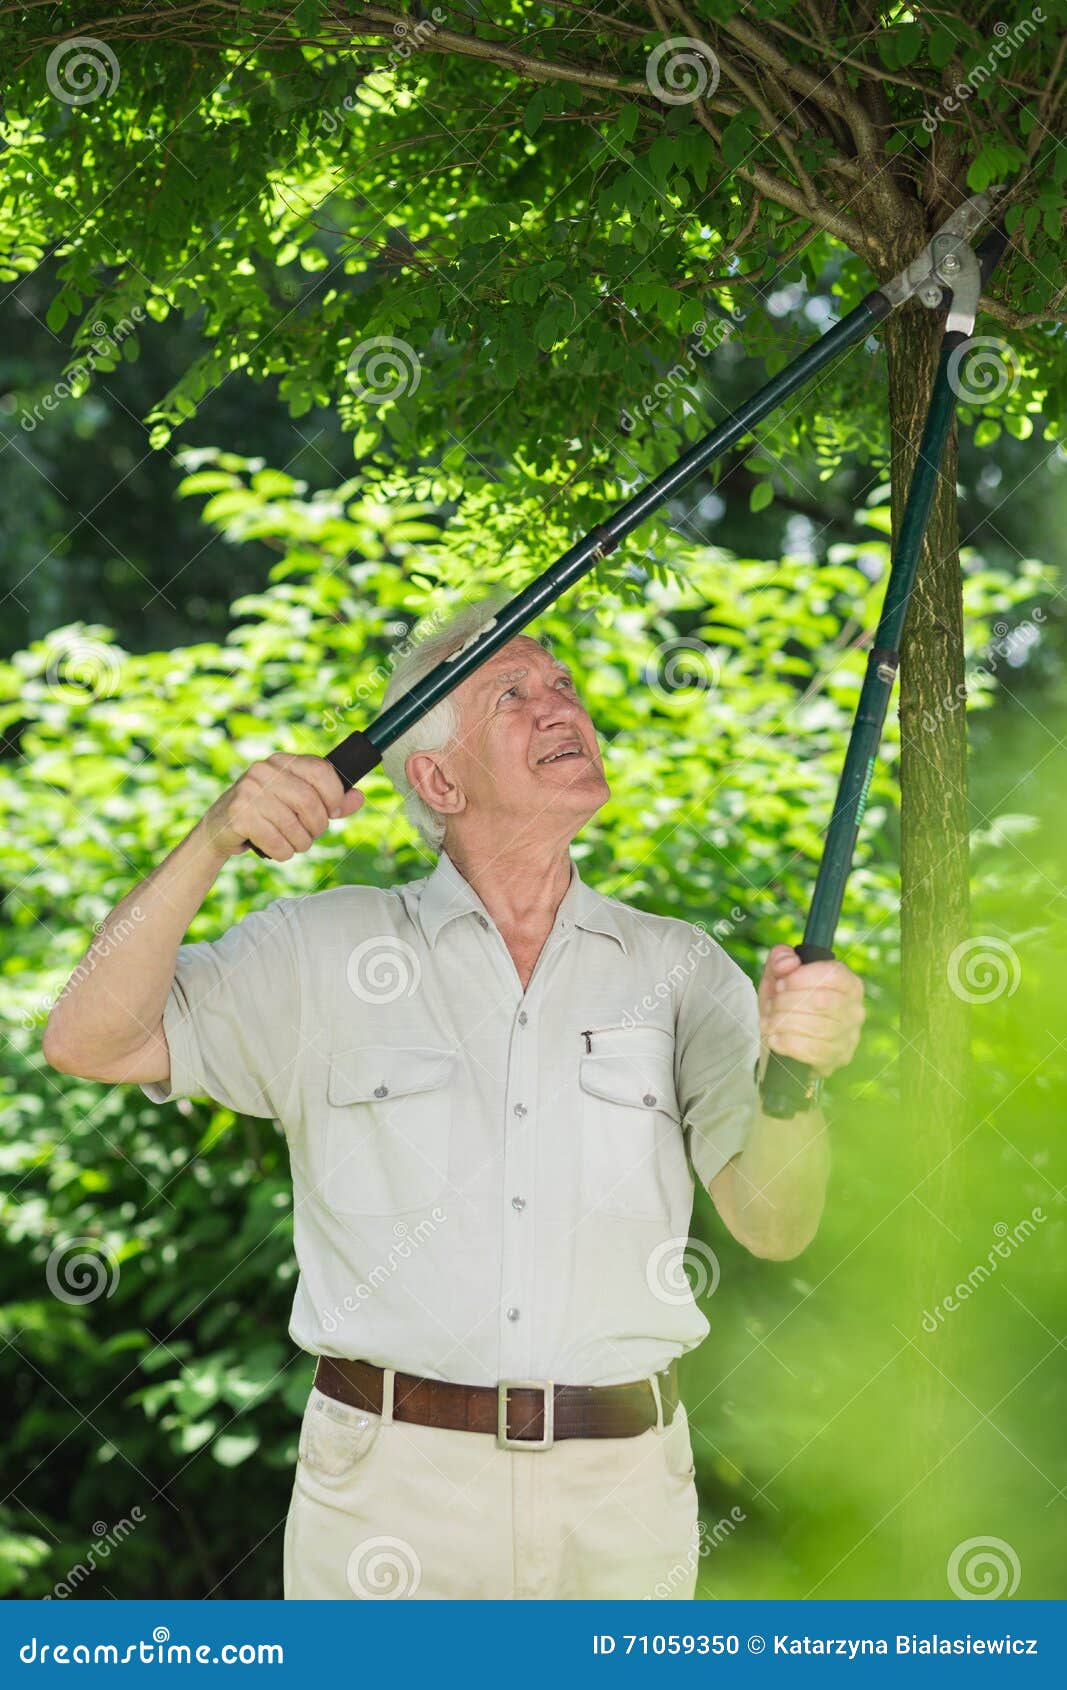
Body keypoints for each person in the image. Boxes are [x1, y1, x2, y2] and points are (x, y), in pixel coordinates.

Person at [43, 592, 865, 1600]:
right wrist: (213, 838)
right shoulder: (319, 950)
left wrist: (796, 1077)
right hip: (388, 1494)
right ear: (436, 778)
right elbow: (89, 1038)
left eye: (562, 683)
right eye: (510, 694)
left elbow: (775, 1223)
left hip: (621, 1498)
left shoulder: (680, 968)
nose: (559, 706)